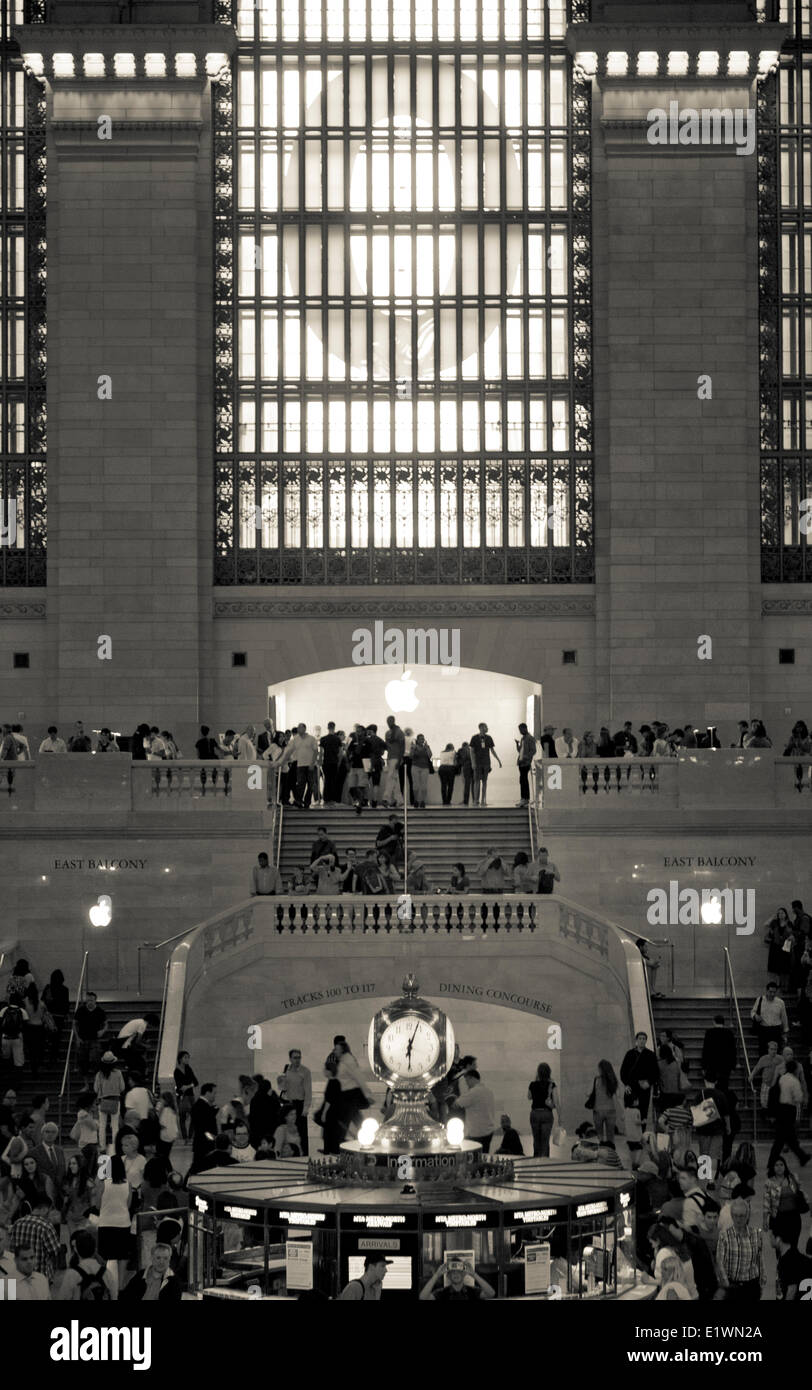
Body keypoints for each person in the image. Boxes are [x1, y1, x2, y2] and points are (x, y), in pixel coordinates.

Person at [716, 1199, 765, 1302]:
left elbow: (759, 1260)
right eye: (735, 1216)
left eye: (742, 1216)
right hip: (733, 1286)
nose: (738, 1220)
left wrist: (761, 1283)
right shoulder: (724, 1236)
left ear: (747, 1216)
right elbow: (720, 1262)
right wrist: (727, 1284)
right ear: (732, 1216)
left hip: (751, 1286)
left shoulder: (756, 1234)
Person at [767, 1059, 810, 1168]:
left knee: (787, 1138)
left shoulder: (782, 1078)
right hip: (789, 1110)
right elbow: (798, 1097)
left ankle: (802, 1157)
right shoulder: (794, 1081)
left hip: (780, 1110)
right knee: (782, 1139)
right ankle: (772, 1162)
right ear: (795, 1069)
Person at [10, 1195, 60, 1282]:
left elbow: (11, 1250)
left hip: (19, 1275)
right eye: (51, 1209)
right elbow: (55, 1253)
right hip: (41, 1277)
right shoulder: (46, 1226)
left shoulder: (17, 1223)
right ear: (44, 1209)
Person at [58, 1227, 115, 1301]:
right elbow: (113, 1296)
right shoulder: (106, 1273)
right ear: (94, 1248)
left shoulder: (72, 1274)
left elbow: (62, 1297)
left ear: (77, 1249)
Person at [763, 1156, 806, 1244]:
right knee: (779, 1247)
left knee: (793, 1246)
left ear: (785, 1166)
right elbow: (766, 1203)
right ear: (773, 1167)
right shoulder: (769, 1182)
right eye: (776, 1165)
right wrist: (764, 1220)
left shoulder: (793, 1178)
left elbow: (801, 1194)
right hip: (777, 1219)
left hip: (794, 1218)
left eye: (781, 1164)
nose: (779, 1167)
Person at [620, 1031, 659, 1125]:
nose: (642, 1041)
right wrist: (626, 1084)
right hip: (631, 1086)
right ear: (636, 1040)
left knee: (643, 1111)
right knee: (631, 1110)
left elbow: (656, 1072)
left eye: (644, 1039)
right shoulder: (630, 1054)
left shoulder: (651, 1054)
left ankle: (641, 1135)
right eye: (640, 1038)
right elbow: (623, 1071)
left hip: (644, 1086)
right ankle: (631, 1135)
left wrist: (649, 1083)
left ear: (646, 1041)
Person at [278, 1047, 311, 1156]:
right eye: (295, 1058)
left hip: (300, 1104)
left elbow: (308, 1091)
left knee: (302, 1133)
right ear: (290, 1058)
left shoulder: (305, 1071)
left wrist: (306, 1107)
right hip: (289, 1104)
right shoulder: (286, 1071)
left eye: (299, 1057)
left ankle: (304, 1155)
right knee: (289, 1130)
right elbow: (282, 1088)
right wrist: (281, 1081)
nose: (297, 1060)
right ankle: (289, 1153)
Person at [420, 1257, 496, 1301]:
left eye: (459, 1271)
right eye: (453, 1272)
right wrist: (437, 1275)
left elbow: (491, 1293)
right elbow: (423, 1297)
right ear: (448, 1276)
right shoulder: (442, 1293)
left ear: (464, 1274)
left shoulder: (472, 1291)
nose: (456, 1274)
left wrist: (474, 1274)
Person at [456, 1069, 496, 1152]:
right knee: (485, 1154)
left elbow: (457, 1104)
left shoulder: (473, 1092)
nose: (467, 1084)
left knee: (473, 1158)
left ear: (471, 1078)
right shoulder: (489, 1091)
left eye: (467, 1081)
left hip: (476, 1133)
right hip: (488, 1132)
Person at [772, 1218, 812, 1300]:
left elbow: (791, 1291)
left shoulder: (789, 1260)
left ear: (778, 1239)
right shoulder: (787, 1257)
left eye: (772, 1235)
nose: (769, 1236)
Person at [94, 1052, 125, 1151]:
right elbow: (122, 1088)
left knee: (102, 1126)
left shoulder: (99, 1074)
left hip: (103, 1101)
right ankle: (115, 1146)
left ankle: (102, 1146)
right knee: (115, 1126)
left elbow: (95, 1089)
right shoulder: (118, 1073)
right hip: (115, 1101)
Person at [73, 991, 107, 1079]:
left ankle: (97, 1081)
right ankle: (86, 1084)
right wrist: (77, 1037)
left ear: (95, 1000)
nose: (89, 1002)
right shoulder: (81, 1010)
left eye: (91, 1000)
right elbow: (74, 1023)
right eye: (87, 1000)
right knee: (82, 1062)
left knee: (95, 1060)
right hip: (82, 1039)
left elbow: (106, 1023)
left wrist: (103, 1031)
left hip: (94, 1040)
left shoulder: (99, 1011)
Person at [528, 1061, 558, 1157]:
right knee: (545, 1141)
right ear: (549, 1072)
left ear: (538, 1072)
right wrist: (561, 1117)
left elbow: (529, 1097)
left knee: (536, 1141)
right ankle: (544, 1163)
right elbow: (557, 1102)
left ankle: (536, 1161)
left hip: (535, 1114)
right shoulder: (552, 1085)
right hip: (546, 1114)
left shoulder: (532, 1084)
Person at [469, 722, 501, 806]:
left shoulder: (489, 738)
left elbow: (492, 750)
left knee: (484, 781)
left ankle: (483, 800)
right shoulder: (474, 738)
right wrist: (473, 763)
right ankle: (476, 800)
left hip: (486, 763)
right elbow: (471, 751)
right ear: (481, 728)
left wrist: (498, 760)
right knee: (476, 781)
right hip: (477, 763)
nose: (487, 728)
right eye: (486, 727)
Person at [701, 1015, 737, 1091]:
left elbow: (706, 1050)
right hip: (725, 1065)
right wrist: (733, 1066)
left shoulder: (709, 1032)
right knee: (723, 1087)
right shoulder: (729, 1033)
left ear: (714, 1022)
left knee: (711, 1088)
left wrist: (703, 1066)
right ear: (723, 1023)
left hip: (712, 1065)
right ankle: (722, 1101)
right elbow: (733, 1050)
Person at [318, 1057, 345, 1155]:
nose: (323, 1071)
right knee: (331, 1133)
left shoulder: (332, 1083)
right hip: (335, 1112)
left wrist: (324, 1113)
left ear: (329, 1071)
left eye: (325, 1069)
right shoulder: (336, 1082)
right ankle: (330, 1150)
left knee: (328, 1133)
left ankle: (328, 1150)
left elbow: (329, 1100)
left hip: (331, 1112)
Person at [588, 1059, 619, 1142]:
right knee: (610, 1137)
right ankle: (610, 1153)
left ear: (601, 1069)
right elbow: (617, 1097)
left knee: (600, 1137)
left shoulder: (596, 1080)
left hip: (598, 1110)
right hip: (611, 1110)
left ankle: (601, 1153)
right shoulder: (613, 1080)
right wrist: (622, 1112)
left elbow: (587, 1093)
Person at [32, 1122, 66, 1193]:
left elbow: (63, 1171)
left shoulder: (60, 1151)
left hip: (59, 1192)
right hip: (42, 1192)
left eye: (53, 1132)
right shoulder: (34, 1152)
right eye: (47, 1132)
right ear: (42, 1134)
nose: (50, 1134)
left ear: (56, 1135)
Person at [190, 1083, 219, 1165]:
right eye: (214, 1093)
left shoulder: (203, 1105)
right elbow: (202, 1128)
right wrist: (213, 1139)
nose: (215, 1096)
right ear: (207, 1093)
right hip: (204, 1146)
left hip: (203, 1144)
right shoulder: (200, 1106)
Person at [173, 1050, 198, 1141]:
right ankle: (185, 1137)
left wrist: (187, 1086)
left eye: (188, 1057)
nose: (187, 1059)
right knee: (182, 1118)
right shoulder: (176, 1071)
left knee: (194, 1117)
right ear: (180, 1059)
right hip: (182, 1097)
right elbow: (180, 1087)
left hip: (190, 1096)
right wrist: (189, 1085)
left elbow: (195, 1082)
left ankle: (190, 1136)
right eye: (185, 1057)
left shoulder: (188, 1068)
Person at [514, 722, 537, 807]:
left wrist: (525, 758)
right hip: (521, 762)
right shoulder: (523, 738)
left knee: (524, 780)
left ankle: (525, 798)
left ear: (525, 728)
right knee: (522, 780)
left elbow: (533, 751)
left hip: (525, 762)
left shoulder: (530, 738)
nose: (520, 731)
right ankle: (523, 798)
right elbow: (520, 751)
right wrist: (517, 744)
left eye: (520, 730)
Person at [409, 734, 433, 809]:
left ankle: (423, 801)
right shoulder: (414, 747)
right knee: (415, 784)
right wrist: (413, 749)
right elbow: (410, 756)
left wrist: (427, 748)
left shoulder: (426, 747)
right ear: (417, 740)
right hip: (415, 766)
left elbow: (430, 755)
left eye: (423, 739)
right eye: (420, 739)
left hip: (425, 767)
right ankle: (416, 800)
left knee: (424, 785)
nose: (422, 740)